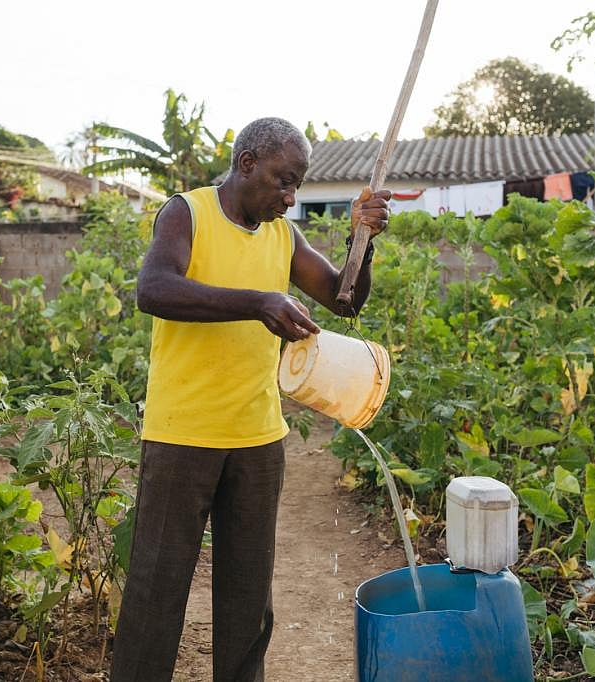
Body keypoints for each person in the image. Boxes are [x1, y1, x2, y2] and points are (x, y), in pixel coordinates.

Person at [111, 117, 391, 682]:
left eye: (298, 186)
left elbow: (345, 300)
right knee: (156, 590)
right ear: (246, 165)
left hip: (258, 438)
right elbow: (154, 289)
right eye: (283, 182)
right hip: (182, 435)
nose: (290, 198)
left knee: (246, 598)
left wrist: (363, 240)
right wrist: (257, 302)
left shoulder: (283, 237)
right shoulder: (186, 212)